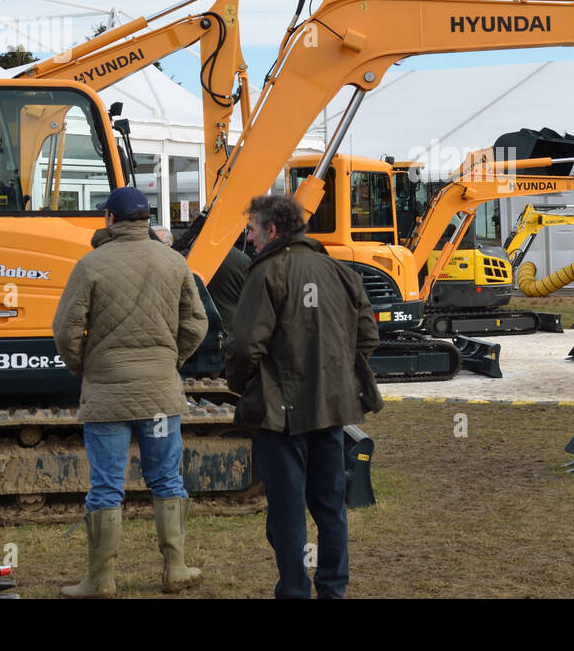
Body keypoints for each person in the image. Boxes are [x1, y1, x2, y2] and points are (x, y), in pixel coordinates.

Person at [52, 186, 209, 598]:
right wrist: (169, 360)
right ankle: (175, 569)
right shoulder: (175, 263)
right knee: (166, 479)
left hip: (107, 395)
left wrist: (84, 367)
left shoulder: (90, 266)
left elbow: (66, 330)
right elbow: (196, 323)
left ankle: (101, 579)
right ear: (145, 218)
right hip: (159, 395)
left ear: (109, 219)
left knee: (106, 485)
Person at [227, 194, 382, 599]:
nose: (249, 238)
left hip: (282, 418)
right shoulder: (340, 271)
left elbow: (245, 345)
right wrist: (333, 377)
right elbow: (367, 336)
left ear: (272, 230)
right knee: (330, 508)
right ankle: (333, 590)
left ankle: (294, 589)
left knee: (287, 511)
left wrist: (244, 385)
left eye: (252, 230)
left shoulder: (267, 273)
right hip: (331, 412)